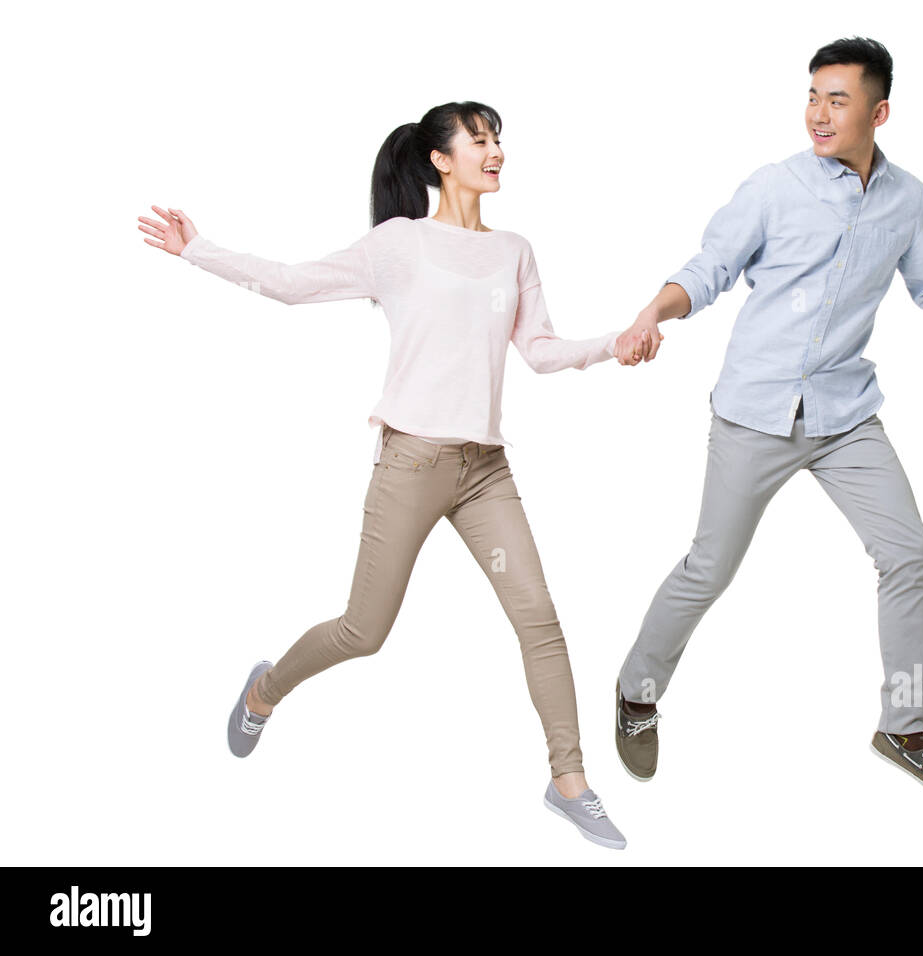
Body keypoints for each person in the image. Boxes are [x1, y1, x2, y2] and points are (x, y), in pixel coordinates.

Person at [138, 101, 660, 849]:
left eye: (499, 139)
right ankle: (265, 689)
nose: (496, 151)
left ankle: (568, 781)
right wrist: (200, 250)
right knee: (364, 630)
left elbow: (540, 351)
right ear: (440, 159)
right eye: (479, 140)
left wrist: (618, 343)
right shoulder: (399, 245)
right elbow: (291, 283)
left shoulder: (514, 249)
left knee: (538, 618)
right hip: (411, 463)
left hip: (484, 472)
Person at [610, 37, 923, 799]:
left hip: (846, 414)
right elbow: (706, 270)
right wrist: (651, 314)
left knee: (908, 550)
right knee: (710, 567)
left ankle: (906, 726)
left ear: (879, 111)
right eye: (813, 96)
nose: (819, 113)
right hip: (755, 413)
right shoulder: (772, 187)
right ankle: (636, 692)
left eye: (839, 99)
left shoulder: (907, 197)